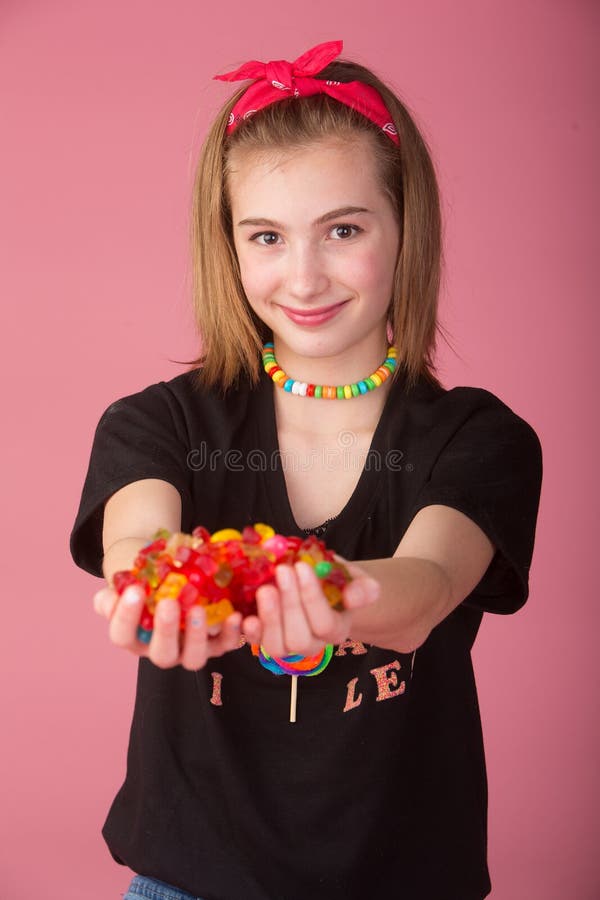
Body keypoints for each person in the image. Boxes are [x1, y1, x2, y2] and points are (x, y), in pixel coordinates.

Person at [70, 40, 543, 900]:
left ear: (406, 229)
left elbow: (428, 584)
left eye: (344, 229)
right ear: (232, 246)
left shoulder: (479, 437)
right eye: (267, 236)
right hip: (186, 883)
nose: (304, 275)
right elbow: (138, 539)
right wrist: (156, 589)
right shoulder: (159, 423)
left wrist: (310, 586)